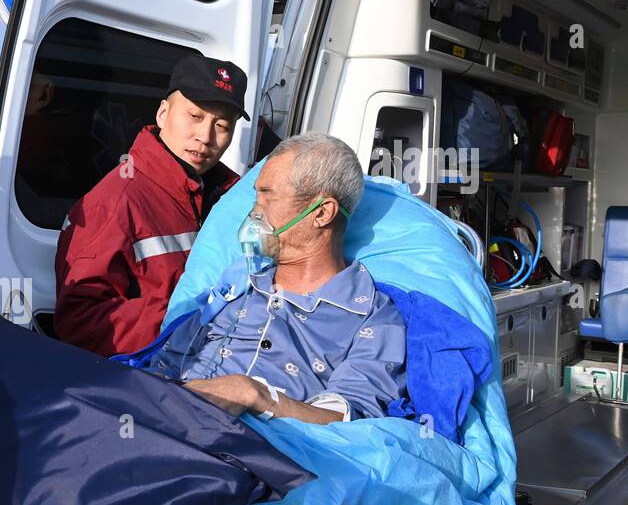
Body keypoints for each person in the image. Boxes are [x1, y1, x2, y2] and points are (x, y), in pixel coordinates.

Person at [143, 133, 408, 424]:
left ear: (321, 213)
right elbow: (164, 364)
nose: (254, 211)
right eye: (256, 195)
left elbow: (353, 424)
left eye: (267, 195)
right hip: (161, 420)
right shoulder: (236, 285)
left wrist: (253, 395)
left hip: (243, 455)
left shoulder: (371, 318)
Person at [55, 51, 247, 356]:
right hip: (147, 376)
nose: (206, 136)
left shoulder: (233, 197)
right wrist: (192, 323)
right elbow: (80, 320)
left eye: (222, 126)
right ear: (162, 114)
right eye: (195, 116)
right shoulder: (116, 200)